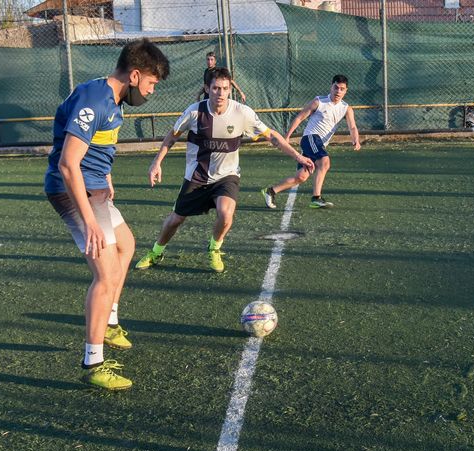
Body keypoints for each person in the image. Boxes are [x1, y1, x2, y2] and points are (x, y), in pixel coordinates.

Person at [44, 38, 170, 391]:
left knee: (126, 245)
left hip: (95, 187)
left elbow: (100, 145)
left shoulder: (113, 101)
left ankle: (110, 322)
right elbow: (69, 164)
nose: (151, 91)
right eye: (151, 84)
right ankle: (93, 362)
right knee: (106, 272)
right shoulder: (94, 100)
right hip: (74, 190)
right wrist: (88, 220)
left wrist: (107, 179)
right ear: (134, 75)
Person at [136, 68, 313, 274]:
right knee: (175, 219)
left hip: (226, 176)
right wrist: (157, 162)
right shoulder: (194, 112)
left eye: (225, 88)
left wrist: (299, 157)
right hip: (197, 177)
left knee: (226, 214)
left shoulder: (242, 113)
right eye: (216, 88)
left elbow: (272, 136)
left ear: (230, 89)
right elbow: (172, 137)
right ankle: (157, 251)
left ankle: (214, 248)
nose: (221, 93)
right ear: (207, 88)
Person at [260, 74, 361, 210]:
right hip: (310, 138)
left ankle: (270, 191)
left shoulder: (346, 108)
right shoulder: (319, 101)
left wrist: (356, 139)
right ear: (331, 87)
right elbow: (300, 118)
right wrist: (287, 137)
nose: (338, 91)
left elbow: (352, 126)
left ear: (346, 91)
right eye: (336, 87)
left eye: (342, 89)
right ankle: (316, 198)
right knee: (324, 162)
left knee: (301, 177)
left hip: (319, 144)